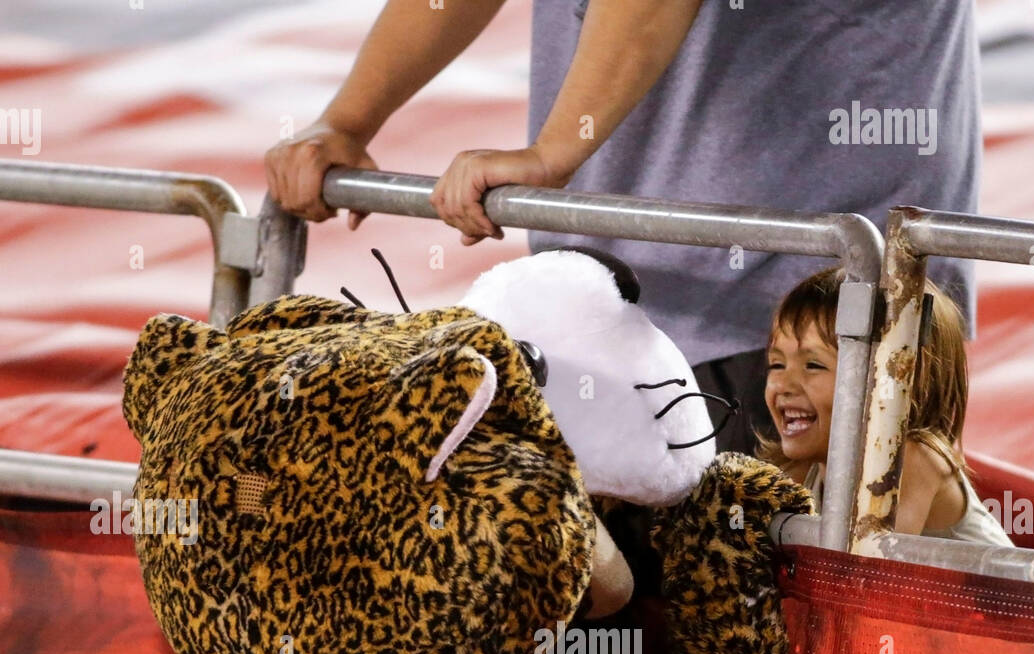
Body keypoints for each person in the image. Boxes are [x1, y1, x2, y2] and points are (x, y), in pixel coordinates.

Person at [264, 0, 982, 453]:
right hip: (625, 284)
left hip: (797, 293)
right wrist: (348, 119)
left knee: (790, 644)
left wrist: (553, 155)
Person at [761, 267, 1011, 544]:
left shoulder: (912, 459)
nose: (783, 385)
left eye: (814, 365)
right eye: (777, 364)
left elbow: (868, 568)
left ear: (896, 380)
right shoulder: (798, 472)